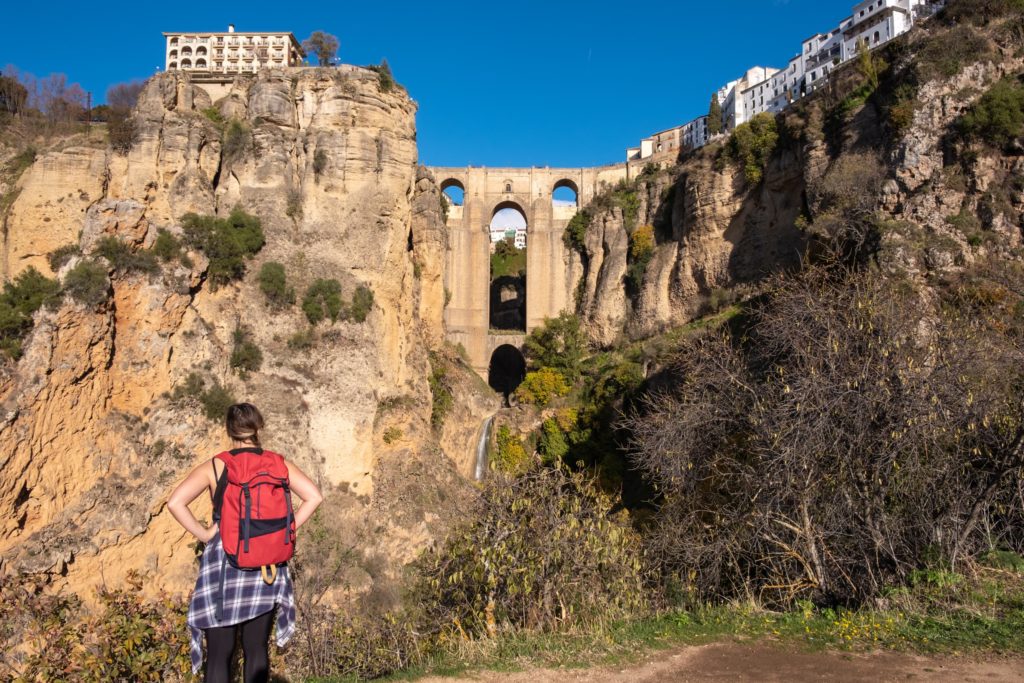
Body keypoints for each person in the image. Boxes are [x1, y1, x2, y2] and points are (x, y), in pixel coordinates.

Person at [168, 402, 323, 683]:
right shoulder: (278, 462)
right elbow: (314, 496)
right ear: (258, 427)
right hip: (266, 565)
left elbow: (175, 502)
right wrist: (285, 530)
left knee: (219, 653)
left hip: (223, 564)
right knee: (256, 649)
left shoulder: (216, 465)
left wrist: (204, 534)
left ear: (229, 430)